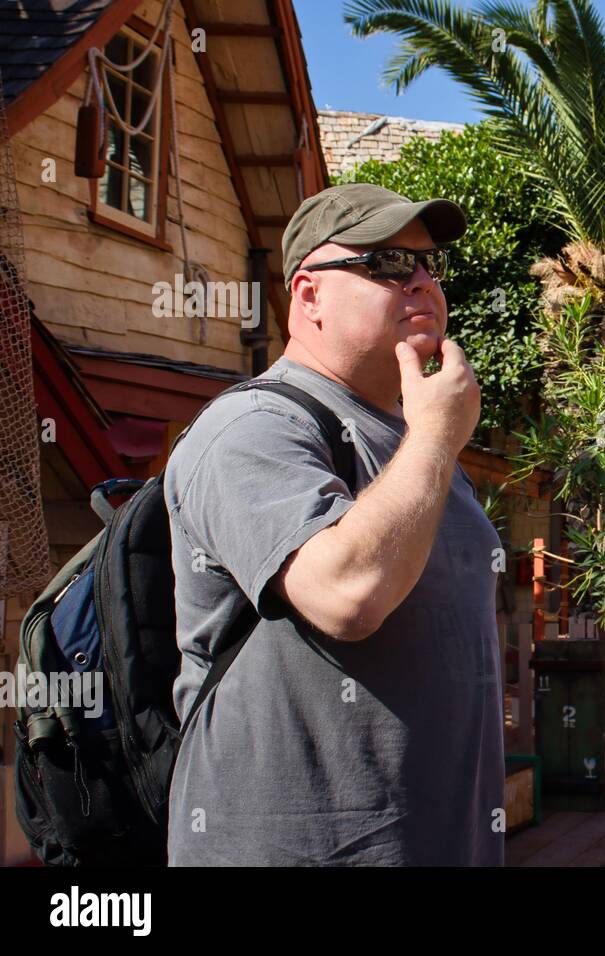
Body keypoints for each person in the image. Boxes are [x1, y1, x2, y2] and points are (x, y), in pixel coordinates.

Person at [165, 183, 503, 865]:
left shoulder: (416, 438)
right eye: (385, 264)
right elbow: (348, 596)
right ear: (308, 296)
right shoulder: (252, 428)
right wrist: (438, 436)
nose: (421, 282)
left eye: (430, 265)